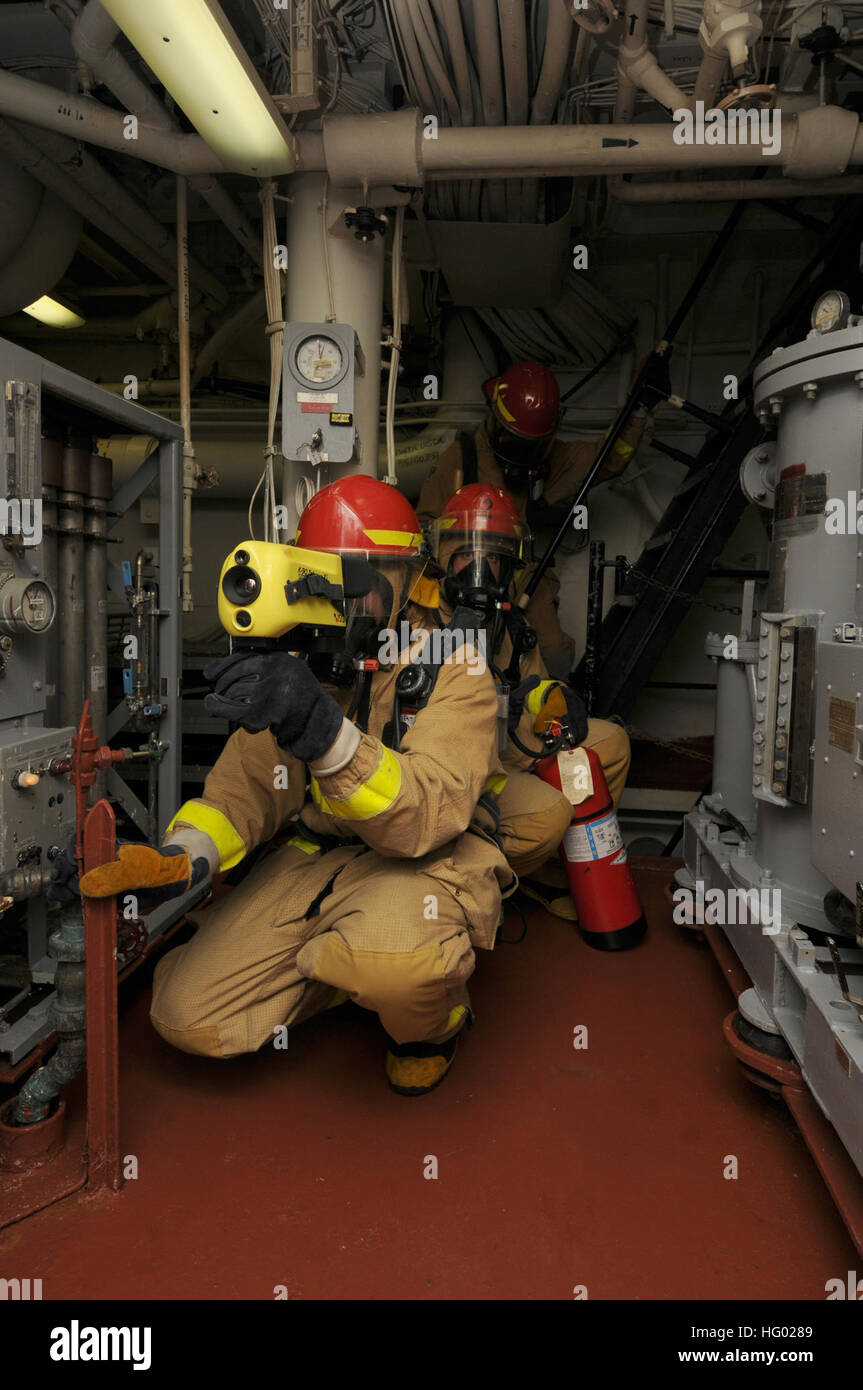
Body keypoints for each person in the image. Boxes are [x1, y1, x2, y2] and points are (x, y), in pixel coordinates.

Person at [62, 476, 516, 1096]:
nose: (345, 602)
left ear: (409, 581)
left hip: (422, 865)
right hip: (314, 859)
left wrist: (322, 731)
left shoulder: (455, 668)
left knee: (396, 962)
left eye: (360, 580)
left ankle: (433, 1023)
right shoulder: (303, 672)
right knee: (185, 1016)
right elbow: (243, 792)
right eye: (326, 579)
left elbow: (421, 817)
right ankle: (337, 968)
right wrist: (184, 854)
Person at [428, 482, 631, 919]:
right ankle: (478, 881)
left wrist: (550, 696)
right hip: (459, 764)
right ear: (445, 557)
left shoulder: (512, 625)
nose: (479, 570)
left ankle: (551, 870)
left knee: (610, 743)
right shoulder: (419, 620)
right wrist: (451, 644)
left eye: (494, 558)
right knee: (546, 816)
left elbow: (536, 684)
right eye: (467, 555)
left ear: (508, 566)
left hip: (510, 745)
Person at [415, 359, 656, 679]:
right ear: (496, 421)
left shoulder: (550, 459)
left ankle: (546, 717)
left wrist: (638, 410)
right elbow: (425, 528)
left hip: (522, 576)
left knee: (553, 654)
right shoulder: (462, 460)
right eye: (513, 440)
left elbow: (608, 459)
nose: (521, 452)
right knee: (455, 654)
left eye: (531, 445)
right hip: (464, 576)